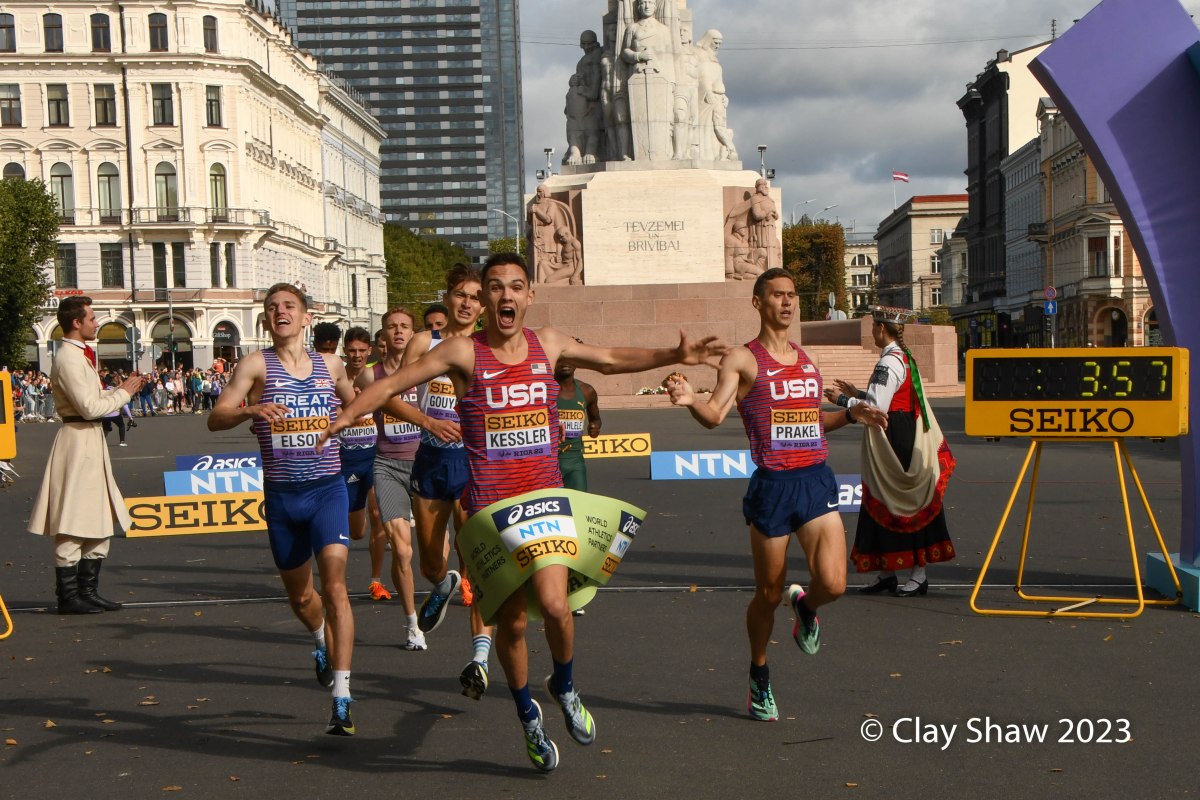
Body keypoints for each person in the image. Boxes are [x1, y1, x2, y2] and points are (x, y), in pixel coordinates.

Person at [323, 251, 725, 772]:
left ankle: (564, 683)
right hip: (492, 511)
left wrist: (674, 352)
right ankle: (527, 716)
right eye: (495, 287)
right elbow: (391, 385)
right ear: (485, 297)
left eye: (516, 286)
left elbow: (608, 358)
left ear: (530, 295)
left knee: (557, 606)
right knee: (511, 627)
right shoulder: (464, 353)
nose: (505, 296)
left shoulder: (549, 343)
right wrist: (347, 415)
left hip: (545, 499)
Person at [665, 268, 886, 722]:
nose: (787, 302)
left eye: (791, 296)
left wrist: (852, 415)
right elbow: (716, 413)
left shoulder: (805, 360)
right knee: (766, 594)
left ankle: (805, 605)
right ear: (757, 302)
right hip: (773, 488)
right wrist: (690, 400)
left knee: (835, 584)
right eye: (777, 295)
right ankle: (759, 673)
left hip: (816, 480)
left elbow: (811, 422)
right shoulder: (742, 360)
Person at [207, 283, 359, 736]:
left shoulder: (330, 365)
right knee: (301, 597)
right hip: (282, 497)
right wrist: (249, 412)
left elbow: (359, 403)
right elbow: (216, 417)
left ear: (307, 317)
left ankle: (343, 697)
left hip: (327, 490)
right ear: (266, 320)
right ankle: (318, 642)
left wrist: (350, 419)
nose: (280, 312)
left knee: (334, 588)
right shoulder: (255, 365)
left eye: (289, 306)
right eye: (272, 308)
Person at [396, 264, 493, 699]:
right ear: (448, 297)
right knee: (432, 563)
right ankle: (441, 583)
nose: (468, 302)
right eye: (460, 294)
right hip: (432, 460)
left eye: (476, 295)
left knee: (484, 563)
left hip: (476, 465)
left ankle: (480, 658)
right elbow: (392, 397)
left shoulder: (491, 348)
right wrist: (427, 421)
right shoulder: (425, 342)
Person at [28, 296, 149, 614]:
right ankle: (69, 596)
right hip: (79, 440)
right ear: (77, 323)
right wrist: (124, 393)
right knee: (74, 518)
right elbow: (88, 407)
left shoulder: (76, 356)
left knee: (96, 515)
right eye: (93, 318)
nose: (97, 323)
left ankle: (86, 591)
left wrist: (120, 390)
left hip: (88, 440)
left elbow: (92, 401)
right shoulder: (69, 358)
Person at [826, 306, 957, 597]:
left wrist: (843, 399)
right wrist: (860, 393)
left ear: (882, 329)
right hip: (902, 431)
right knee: (883, 497)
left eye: (874, 325)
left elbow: (877, 408)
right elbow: (887, 396)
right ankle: (887, 572)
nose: (872, 330)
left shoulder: (888, 363)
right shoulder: (902, 357)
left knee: (899, 500)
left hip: (894, 436)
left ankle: (917, 573)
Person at [357, 307, 425, 650]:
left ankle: (444, 586)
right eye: (391, 327)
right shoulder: (371, 377)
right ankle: (413, 625)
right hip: (386, 465)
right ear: (382, 336)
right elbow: (347, 401)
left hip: (425, 465)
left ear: (414, 333)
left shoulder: (428, 370)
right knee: (401, 549)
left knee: (435, 557)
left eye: (404, 327)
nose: (398, 332)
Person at [339, 327, 389, 602]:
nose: (357, 356)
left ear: (368, 350)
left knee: (378, 514)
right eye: (352, 351)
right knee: (357, 531)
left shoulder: (375, 376)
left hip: (375, 454)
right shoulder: (337, 377)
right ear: (345, 351)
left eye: (361, 351)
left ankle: (376, 580)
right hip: (346, 460)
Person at [555, 353, 601, 492]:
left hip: (574, 460)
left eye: (570, 359)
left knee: (577, 506)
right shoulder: (543, 389)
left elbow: (595, 419)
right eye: (560, 360)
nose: (565, 363)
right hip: (548, 461)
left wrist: (595, 427)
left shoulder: (587, 391)